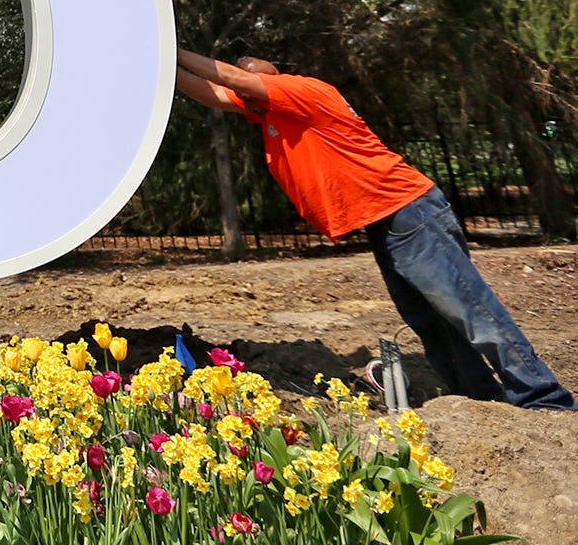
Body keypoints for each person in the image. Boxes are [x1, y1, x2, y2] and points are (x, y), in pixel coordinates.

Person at [177, 50, 573, 410]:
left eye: (252, 85)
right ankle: (478, 399)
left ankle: (544, 398)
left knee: (471, 310)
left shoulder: (301, 91)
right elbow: (215, 93)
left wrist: (170, 46)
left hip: (409, 212)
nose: (244, 97)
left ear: (271, 79)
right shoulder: (266, 110)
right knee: (431, 322)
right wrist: (161, 68)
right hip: (387, 220)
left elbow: (232, 80)